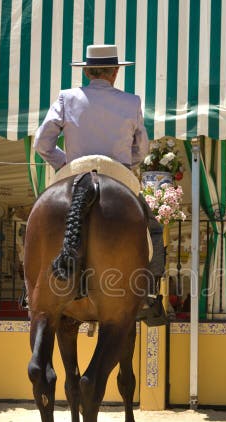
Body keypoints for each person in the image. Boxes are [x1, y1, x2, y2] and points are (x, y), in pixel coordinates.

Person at [34, 44, 165, 325]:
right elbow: (141, 150)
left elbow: (42, 144)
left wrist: (65, 164)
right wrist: (122, 165)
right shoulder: (132, 102)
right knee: (153, 230)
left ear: (87, 72)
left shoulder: (67, 97)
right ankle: (148, 295)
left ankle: (31, 291)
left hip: (75, 173)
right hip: (117, 176)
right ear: (115, 72)